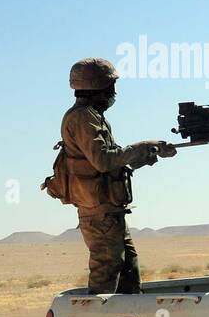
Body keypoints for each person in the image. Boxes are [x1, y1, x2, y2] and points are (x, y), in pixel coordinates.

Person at [56, 58, 177, 294]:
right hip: (100, 214)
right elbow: (103, 160)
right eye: (110, 86)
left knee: (128, 276)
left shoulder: (92, 116)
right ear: (97, 87)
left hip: (109, 211)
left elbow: (111, 165)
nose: (114, 92)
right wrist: (142, 146)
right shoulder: (82, 117)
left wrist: (148, 154)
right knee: (106, 275)